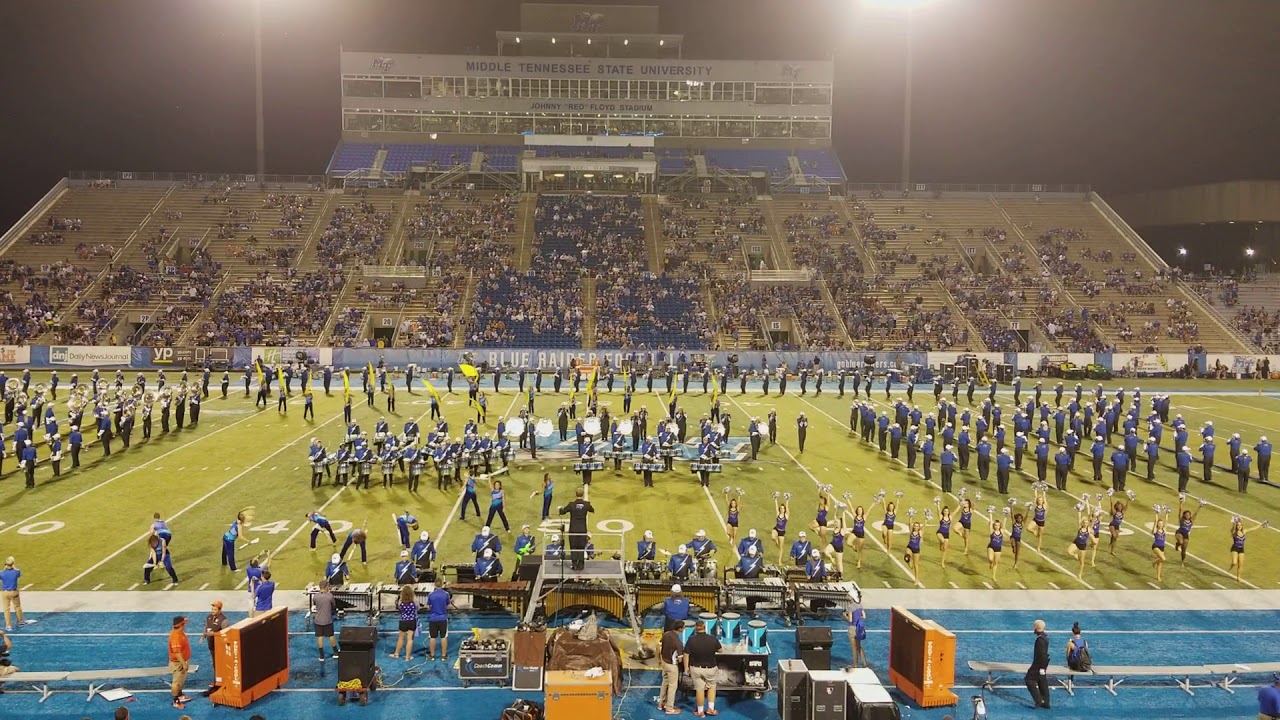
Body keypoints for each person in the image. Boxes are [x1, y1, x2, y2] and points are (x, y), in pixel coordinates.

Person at [683, 619, 722, 717]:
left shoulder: (691, 639)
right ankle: (711, 709)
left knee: (699, 689)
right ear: (705, 627)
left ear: (695, 628)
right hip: (710, 669)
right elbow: (721, 650)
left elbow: (686, 654)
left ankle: (700, 712)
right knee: (711, 687)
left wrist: (686, 667)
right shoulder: (712, 638)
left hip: (696, 669)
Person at [559, 487, 595, 572]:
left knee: (573, 547)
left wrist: (560, 509)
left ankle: (574, 565)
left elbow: (562, 512)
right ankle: (581, 565)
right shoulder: (586, 504)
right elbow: (592, 510)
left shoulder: (571, 505)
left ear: (576, 494)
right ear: (583, 494)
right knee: (581, 547)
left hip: (573, 530)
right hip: (582, 530)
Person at [659, 622, 684, 715]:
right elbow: (680, 659)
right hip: (672, 666)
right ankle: (669, 708)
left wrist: (659, 659)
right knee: (672, 686)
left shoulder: (666, 634)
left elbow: (659, 646)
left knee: (665, 682)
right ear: (680, 629)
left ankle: (661, 703)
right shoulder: (678, 642)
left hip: (664, 662)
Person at [168, 616, 193, 709]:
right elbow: (177, 653)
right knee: (176, 682)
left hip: (182, 661)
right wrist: (183, 664)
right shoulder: (176, 637)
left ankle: (180, 695)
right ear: (181, 625)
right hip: (178, 663)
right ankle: (176, 701)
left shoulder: (179, 632)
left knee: (181, 680)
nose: (185, 625)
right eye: (184, 624)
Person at [1026, 619, 1050, 709]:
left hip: (1038, 665)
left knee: (1029, 680)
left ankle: (1039, 700)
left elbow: (1042, 655)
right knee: (1042, 681)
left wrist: (1042, 667)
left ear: (1036, 627)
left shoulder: (1040, 640)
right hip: (1042, 664)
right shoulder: (1044, 637)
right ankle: (1046, 702)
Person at [311, 583, 339, 661]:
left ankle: (321, 656)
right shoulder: (330, 596)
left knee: (320, 636)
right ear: (326, 587)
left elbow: (315, 604)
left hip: (318, 620)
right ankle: (335, 652)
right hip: (327, 620)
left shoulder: (315, 596)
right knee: (331, 635)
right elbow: (333, 605)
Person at [392, 585, 418, 661]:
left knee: (401, 638)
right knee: (410, 639)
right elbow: (417, 608)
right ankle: (407, 657)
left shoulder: (400, 601)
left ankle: (396, 654)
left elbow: (399, 608)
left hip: (403, 621)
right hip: (412, 621)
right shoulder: (415, 600)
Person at [425, 585, 451, 660]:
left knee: (432, 637)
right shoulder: (446, 594)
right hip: (443, 618)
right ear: (441, 585)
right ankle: (444, 656)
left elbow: (428, 607)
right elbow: (448, 605)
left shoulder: (431, 594)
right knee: (443, 637)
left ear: (435, 585)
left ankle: (432, 656)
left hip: (433, 619)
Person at [201, 600, 229, 669]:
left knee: (221, 663)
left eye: (215, 610)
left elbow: (226, 633)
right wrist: (203, 635)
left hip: (220, 646)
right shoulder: (209, 617)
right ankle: (216, 675)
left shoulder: (223, 620)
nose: (213, 611)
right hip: (211, 644)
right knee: (214, 663)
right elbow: (206, 626)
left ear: (220, 610)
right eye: (212, 609)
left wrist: (215, 634)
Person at [844, 593, 868, 670]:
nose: (847, 596)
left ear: (852, 597)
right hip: (859, 628)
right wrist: (858, 618)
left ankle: (855, 664)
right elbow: (864, 616)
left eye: (848, 595)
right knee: (859, 646)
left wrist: (845, 615)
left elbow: (850, 620)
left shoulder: (850, 607)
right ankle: (865, 664)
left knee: (854, 648)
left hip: (852, 628)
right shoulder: (860, 605)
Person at [0, 558, 22, 630]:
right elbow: (18, 571)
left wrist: (5, 568)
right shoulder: (16, 572)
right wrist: (13, 566)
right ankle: (20, 621)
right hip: (14, 592)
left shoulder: (2, 573)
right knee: (17, 606)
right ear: (13, 564)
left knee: (6, 609)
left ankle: (8, 625)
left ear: (6, 564)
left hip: (5, 593)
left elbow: (2, 573)